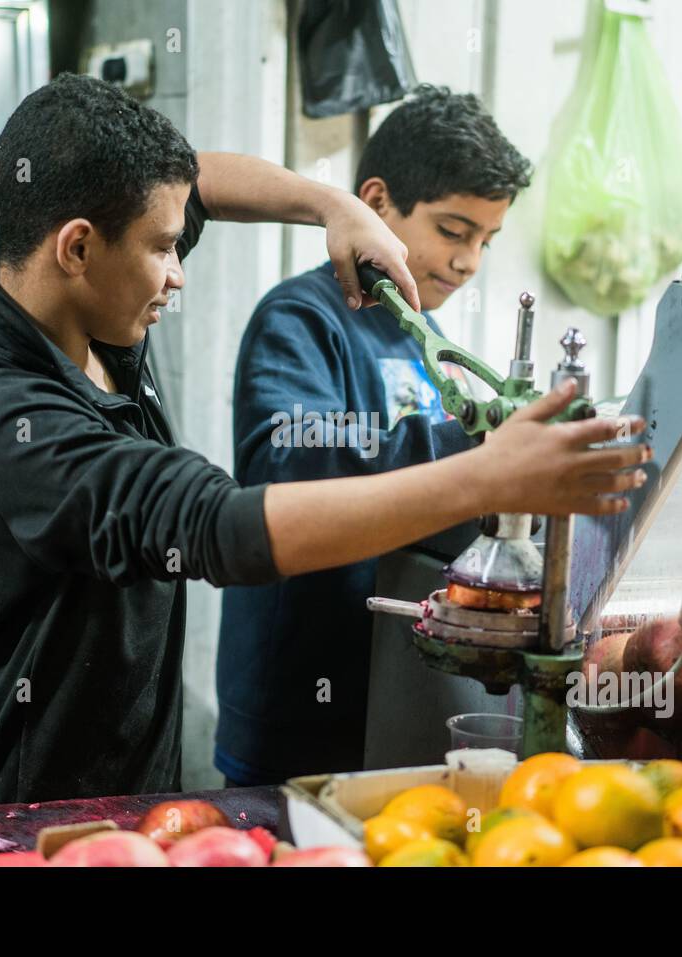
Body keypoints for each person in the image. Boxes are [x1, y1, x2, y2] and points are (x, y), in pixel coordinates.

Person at [0, 74, 647, 809]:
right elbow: (214, 524)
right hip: (14, 809)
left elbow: (197, 184)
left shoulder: (86, 300)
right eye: (165, 249)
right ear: (77, 248)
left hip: (127, 785)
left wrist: (334, 206)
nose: (178, 276)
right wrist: (487, 477)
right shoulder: (12, 418)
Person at [215, 85, 536, 786]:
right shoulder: (302, 320)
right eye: (453, 231)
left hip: (389, 699)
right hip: (297, 703)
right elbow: (290, 458)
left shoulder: (431, 340)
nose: (468, 262)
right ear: (377, 201)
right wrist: (479, 454)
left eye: (486, 241)